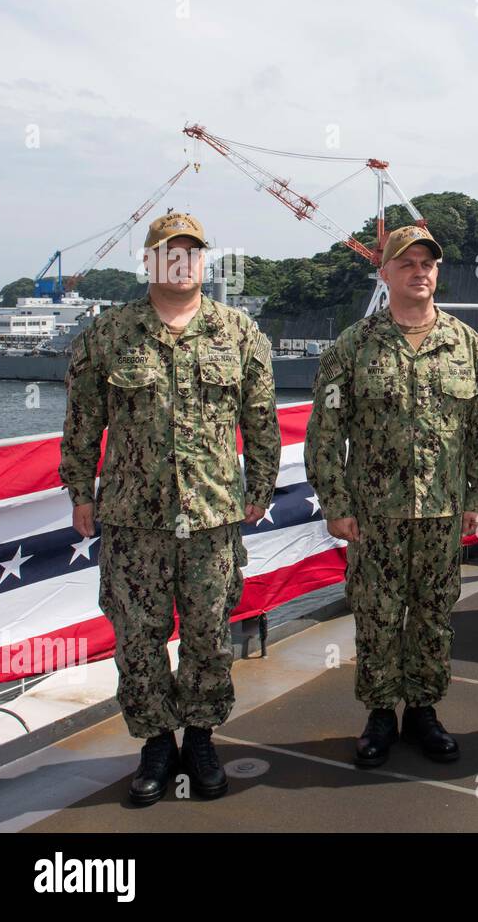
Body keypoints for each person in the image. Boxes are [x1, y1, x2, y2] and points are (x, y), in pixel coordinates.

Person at [60, 209, 280, 804]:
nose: (181, 262)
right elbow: (82, 423)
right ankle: (156, 741)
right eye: (168, 252)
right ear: (149, 261)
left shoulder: (239, 332)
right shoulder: (109, 334)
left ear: (204, 261)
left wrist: (260, 489)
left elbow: (261, 422)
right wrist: (80, 492)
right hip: (133, 520)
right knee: (138, 637)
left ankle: (201, 737)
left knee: (208, 633)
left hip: (212, 518)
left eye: (192, 252)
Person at [305, 224, 478, 766]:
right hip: (375, 516)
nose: (420, 272)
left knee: (434, 616)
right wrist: (336, 505)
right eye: (407, 263)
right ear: (385, 272)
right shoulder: (352, 346)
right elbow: (325, 433)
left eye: (428, 264)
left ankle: (423, 710)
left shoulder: (467, 345)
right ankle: (378, 714)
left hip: (442, 511)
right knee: (377, 615)